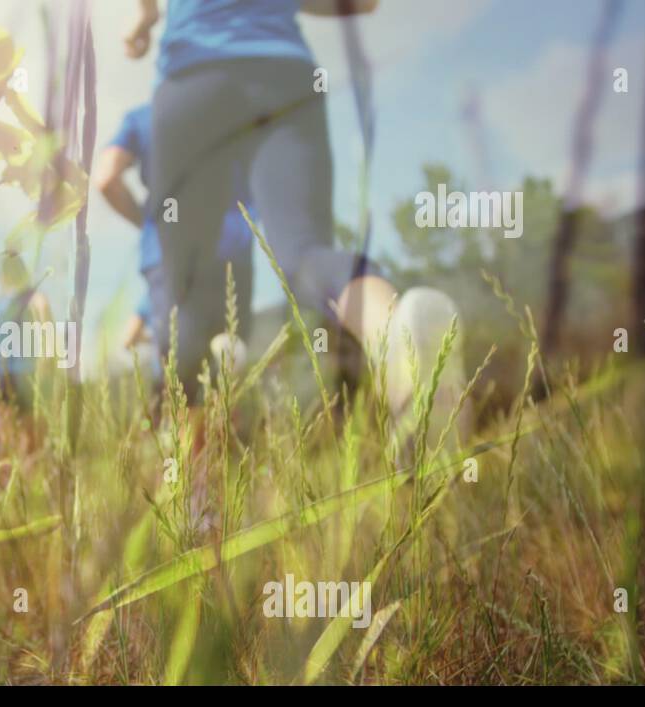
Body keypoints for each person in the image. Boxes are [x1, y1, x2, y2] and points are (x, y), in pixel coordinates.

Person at [125, 0, 468, 449]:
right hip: (284, 76)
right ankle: (398, 336)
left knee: (184, 292)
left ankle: (193, 482)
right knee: (305, 253)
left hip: (194, 79)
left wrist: (146, 19)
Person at [95, 101, 257, 387]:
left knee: (183, 377)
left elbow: (106, 178)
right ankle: (225, 421)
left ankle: (186, 423)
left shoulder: (144, 117)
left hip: (168, 252)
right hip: (233, 250)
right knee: (231, 365)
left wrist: (145, 221)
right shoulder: (239, 115)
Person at [0, 251, 53, 481]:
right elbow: (48, 342)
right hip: (27, 378)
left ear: (1, 276)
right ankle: (29, 491)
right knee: (31, 441)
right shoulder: (36, 299)